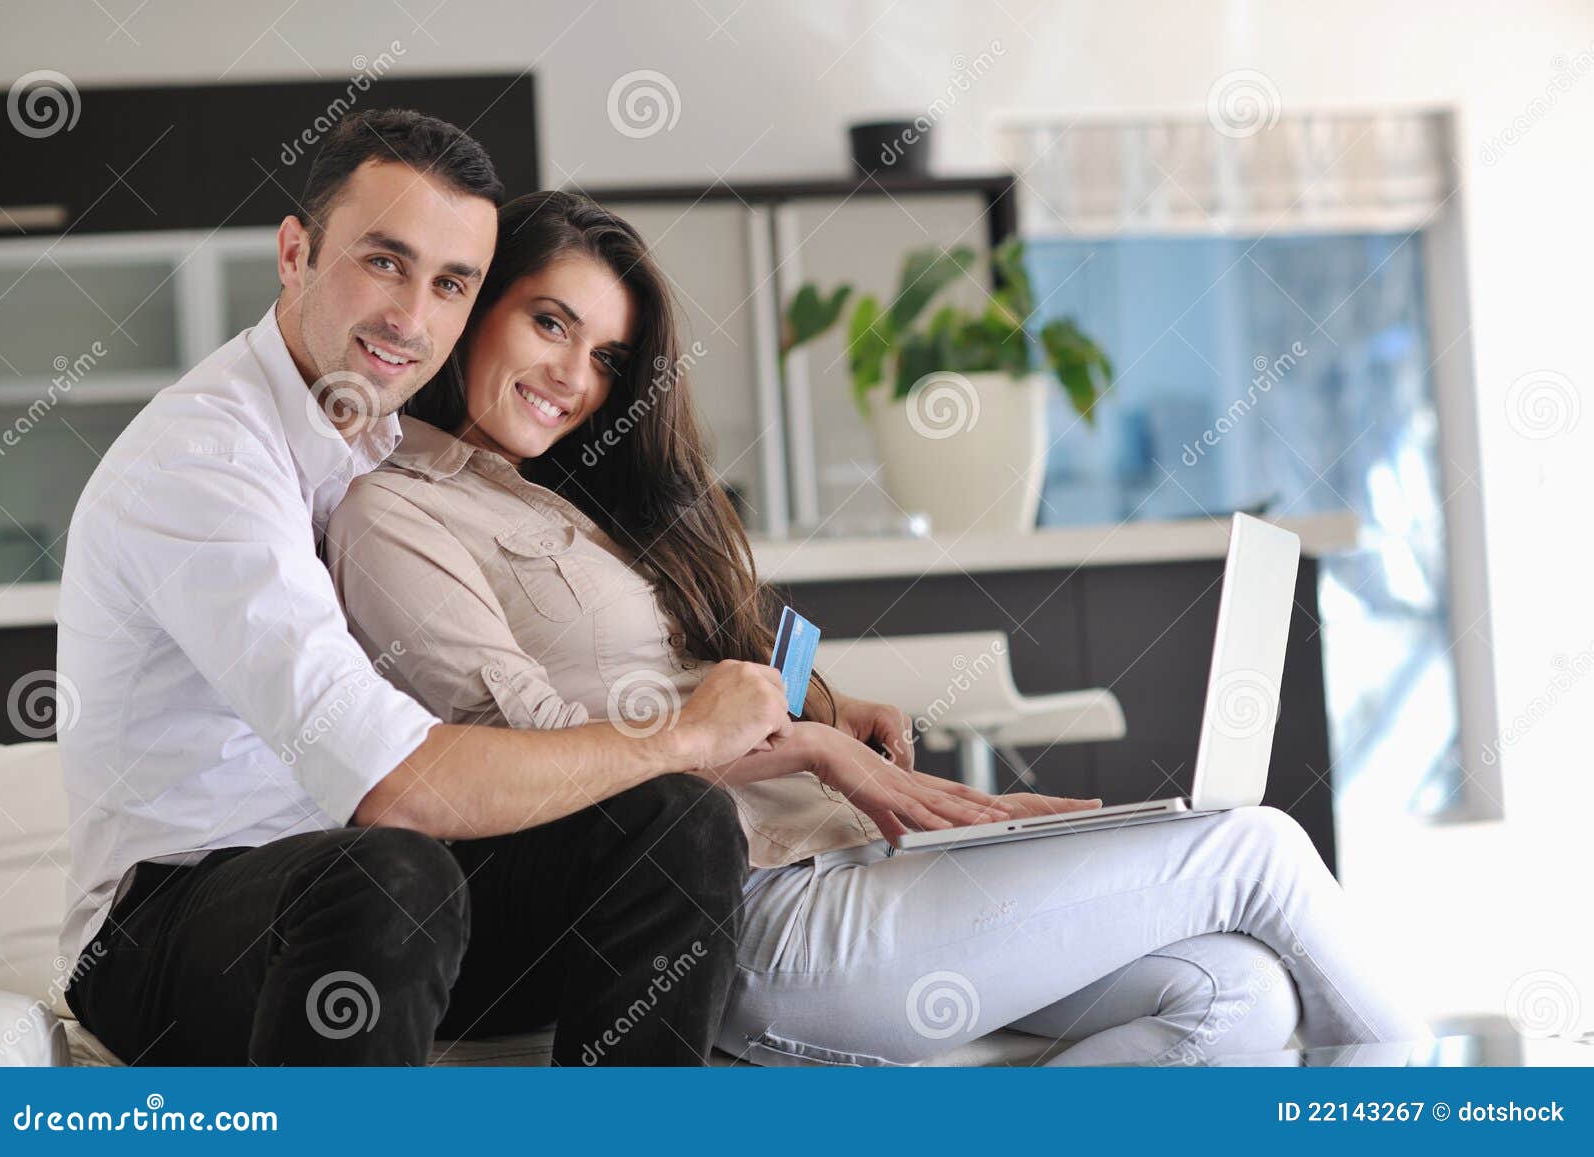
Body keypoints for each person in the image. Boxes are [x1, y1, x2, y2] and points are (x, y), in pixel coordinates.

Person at [325, 188, 1428, 1067]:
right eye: (550, 321)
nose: (575, 376)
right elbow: (540, 776)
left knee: (1235, 993)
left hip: (848, 861)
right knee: (1254, 847)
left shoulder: (568, 499)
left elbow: (677, 689)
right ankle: (1436, 1115)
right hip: (764, 914)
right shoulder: (398, 512)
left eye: (607, 356)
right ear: (478, 307)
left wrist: (838, 726)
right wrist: (812, 748)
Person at [57, 110, 790, 1068]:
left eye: (451, 284)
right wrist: (684, 733)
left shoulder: (375, 442)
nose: (413, 317)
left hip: (369, 899)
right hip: (165, 924)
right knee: (396, 870)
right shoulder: (206, 456)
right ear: (294, 253)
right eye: (384, 261)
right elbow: (391, 781)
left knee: (672, 823)